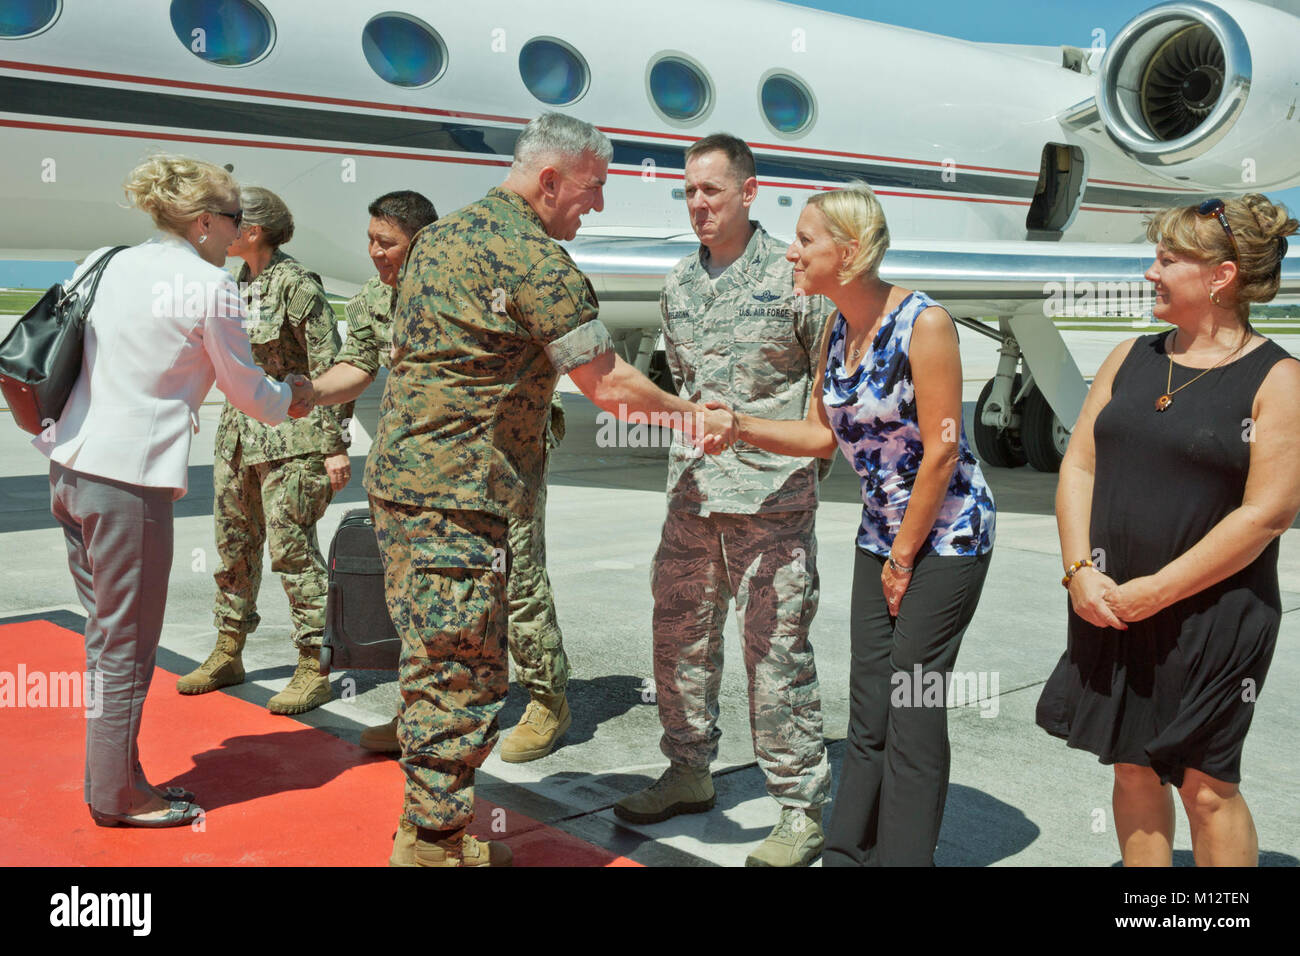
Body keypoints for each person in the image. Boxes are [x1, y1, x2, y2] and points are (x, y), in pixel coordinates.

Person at [361, 112, 732, 867]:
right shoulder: (535, 260)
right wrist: (698, 417)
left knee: (431, 660)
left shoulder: (438, 238)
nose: (594, 207)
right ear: (550, 179)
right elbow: (612, 386)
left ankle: (432, 827)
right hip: (461, 499)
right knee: (459, 674)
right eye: (591, 191)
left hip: (404, 486)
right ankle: (428, 846)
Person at [702, 183, 996, 866]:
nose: (790, 256)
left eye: (805, 241)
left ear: (852, 250)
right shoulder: (837, 329)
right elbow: (817, 437)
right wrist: (738, 424)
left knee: (913, 709)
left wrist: (902, 559)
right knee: (869, 712)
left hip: (946, 541)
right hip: (881, 539)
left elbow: (944, 446)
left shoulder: (925, 324)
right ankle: (846, 852)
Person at [33, 155, 313, 827]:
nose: (239, 229)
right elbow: (249, 393)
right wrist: (294, 395)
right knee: (126, 646)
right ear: (206, 222)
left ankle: (115, 772)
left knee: (107, 639)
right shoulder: (210, 285)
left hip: (69, 467)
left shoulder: (106, 259)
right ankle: (118, 797)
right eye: (235, 218)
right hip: (127, 485)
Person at [1036, 195, 1300, 867]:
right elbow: (1080, 464)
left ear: (1221, 276)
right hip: (1108, 602)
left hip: (1213, 616)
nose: (1151, 272)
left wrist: (1157, 590)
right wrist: (1078, 572)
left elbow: (1267, 513)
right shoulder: (1130, 356)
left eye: (1168, 260)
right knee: (1131, 768)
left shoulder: (1279, 378)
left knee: (1207, 787)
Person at [611, 134, 834, 868]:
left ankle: (799, 806)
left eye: (711, 190)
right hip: (692, 494)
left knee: (775, 654)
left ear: (748, 191)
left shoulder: (794, 275)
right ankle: (687, 769)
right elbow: (679, 386)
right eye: (688, 193)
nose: (698, 205)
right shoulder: (678, 283)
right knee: (677, 639)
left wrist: (797, 472)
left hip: (772, 500)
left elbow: (824, 401)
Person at [316, 192, 577, 762]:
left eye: (385, 243)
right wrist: (306, 395)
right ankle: (425, 711)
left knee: (519, 579)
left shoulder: (478, 279)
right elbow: (357, 365)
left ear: (423, 241)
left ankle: (548, 699)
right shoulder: (373, 301)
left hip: (498, 464)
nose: (374, 254)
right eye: (370, 241)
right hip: (422, 474)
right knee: (422, 597)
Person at [176, 186, 348, 715]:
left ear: (252, 231)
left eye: (230, 221)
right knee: (233, 548)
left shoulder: (298, 286)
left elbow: (333, 367)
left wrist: (335, 446)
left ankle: (312, 665)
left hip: (293, 442)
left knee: (292, 552)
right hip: (238, 438)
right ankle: (229, 650)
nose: (219, 231)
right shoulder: (236, 283)